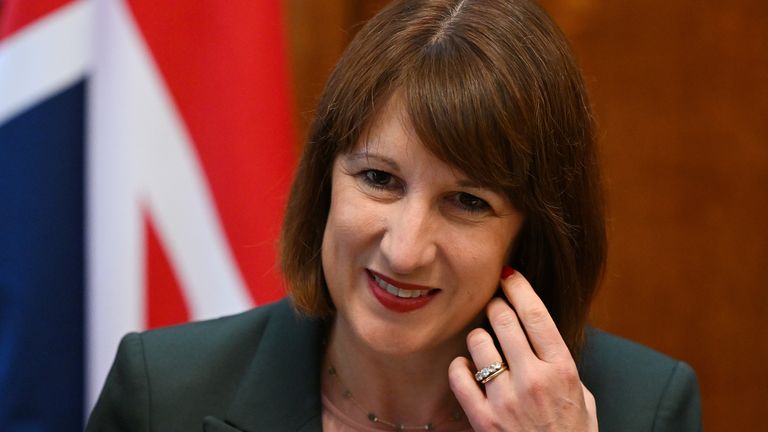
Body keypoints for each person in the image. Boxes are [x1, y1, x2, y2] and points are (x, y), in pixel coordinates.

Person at [86, 0, 701, 431]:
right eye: (379, 179)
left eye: (468, 202)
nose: (405, 250)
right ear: (325, 181)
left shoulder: (642, 407)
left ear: (529, 232)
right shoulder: (162, 393)